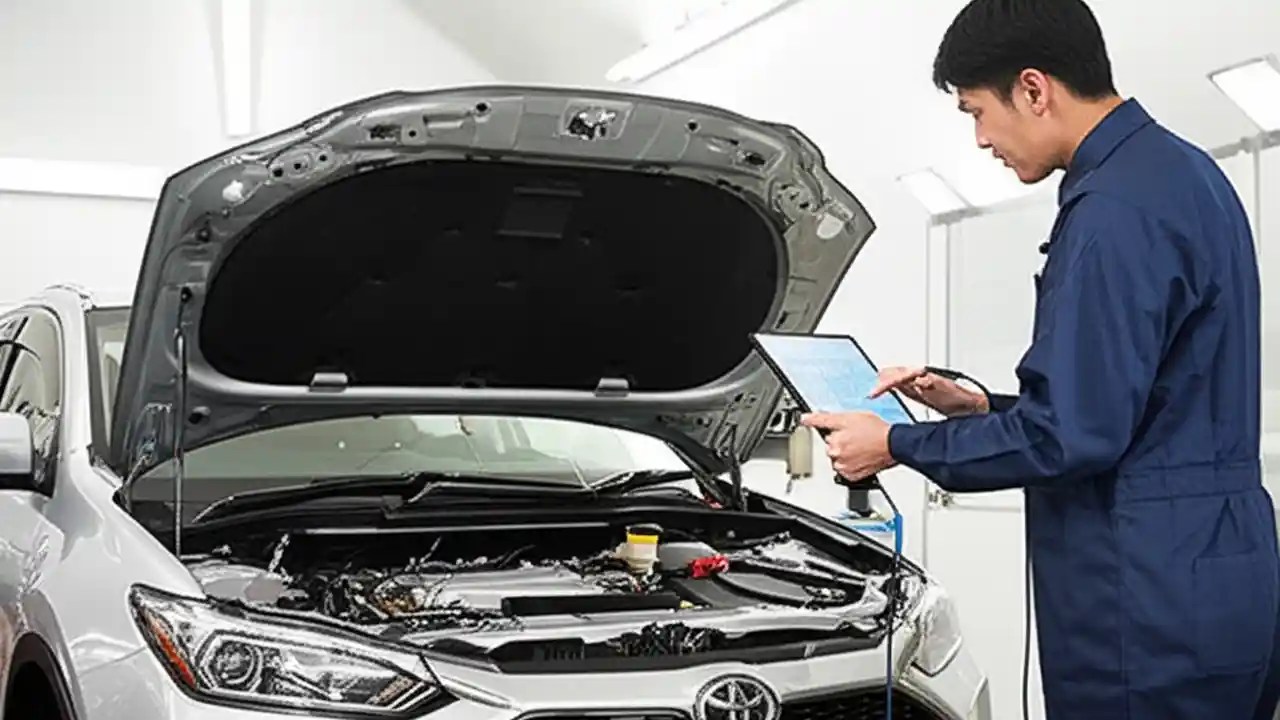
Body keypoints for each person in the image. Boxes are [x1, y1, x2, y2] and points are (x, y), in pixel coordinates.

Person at [799, 1, 1280, 718]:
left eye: (976, 111)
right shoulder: (1185, 175)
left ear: (1033, 88)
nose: (981, 139)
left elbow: (1071, 436)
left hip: (1143, 604)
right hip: (1219, 575)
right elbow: (1145, 400)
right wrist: (981, 407)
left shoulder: (1110, 212)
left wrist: (895, 443)